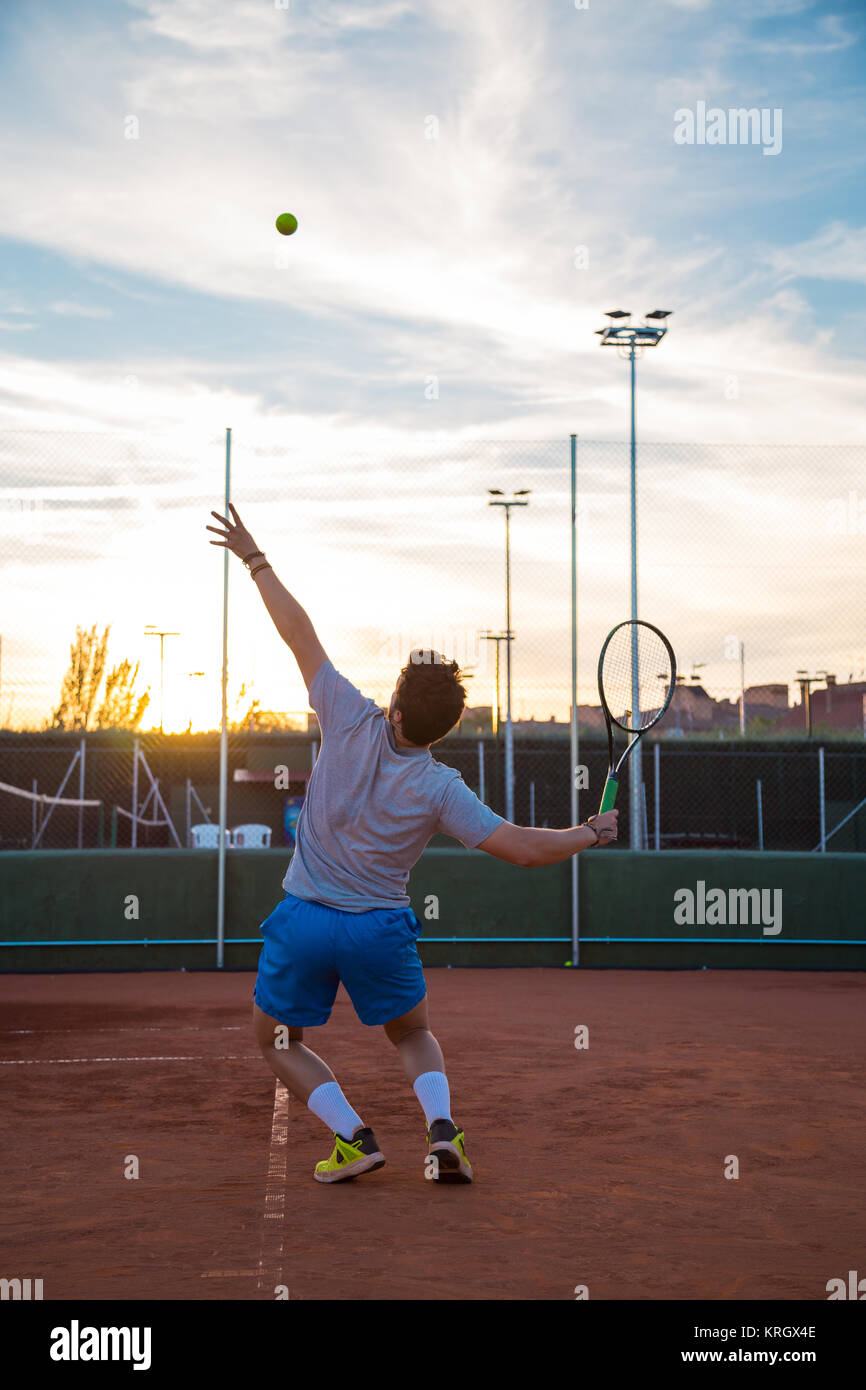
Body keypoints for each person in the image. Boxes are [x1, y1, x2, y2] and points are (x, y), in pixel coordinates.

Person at [207, 504, 618, 1185]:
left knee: (275, 1039)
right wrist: (588, 832)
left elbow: (298, 633)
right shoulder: (439, 786)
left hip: (305, 918)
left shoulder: (344, 713)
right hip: (379, 929)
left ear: (394, 708)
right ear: (442, 728)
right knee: (413, 1033)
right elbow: (519, 847)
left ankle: (353, 1137)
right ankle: (442, 1131)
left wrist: (255, 560)